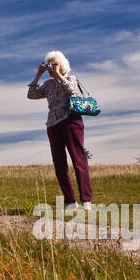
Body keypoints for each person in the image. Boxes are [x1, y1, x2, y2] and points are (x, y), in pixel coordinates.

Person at [28, 50, 92, 210]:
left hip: (71, 121)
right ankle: (70, 201)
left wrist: (58, 75)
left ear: (63, 64)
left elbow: (71, 90)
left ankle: (86, 200)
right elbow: (31, 94)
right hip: (53, 124)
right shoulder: (48, 85)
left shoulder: (70, 78)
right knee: (59, 163)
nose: (51, 66)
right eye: (49, 64)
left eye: (54, 63)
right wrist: (38, 75)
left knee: (78, 160)